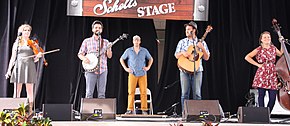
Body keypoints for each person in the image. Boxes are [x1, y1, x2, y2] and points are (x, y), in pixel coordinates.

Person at [5, 24, 43, 113]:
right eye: (25, 30)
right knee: (17, 90)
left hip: (29, 67)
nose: (27, 32)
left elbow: (35, 60)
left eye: (28, 30)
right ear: (21, 32)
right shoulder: (17, 43)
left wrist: (38, 56)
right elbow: (13, 57)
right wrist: (9, 70)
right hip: (19, 67)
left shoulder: (32, 43)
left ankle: (30, 111)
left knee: (30, 91)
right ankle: (16, 112)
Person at [174, 21, 210, 112]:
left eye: (189, 29)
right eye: (186, 29)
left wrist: (202, 48)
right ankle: (185, 113)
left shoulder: (201, 42)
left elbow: (206, 58)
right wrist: (183, 52)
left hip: (197, 71)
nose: (186, 31)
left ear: (194, 30)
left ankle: (197, 114)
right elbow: (176, 55)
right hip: (184, 71)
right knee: (184, 94)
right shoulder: (182, 42)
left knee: (197, 94)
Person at [245, 31, 283, 112]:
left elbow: (280, 54)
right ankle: (262, 114)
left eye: (268, 37)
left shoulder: (273, 48)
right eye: (265, 37)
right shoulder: (258, 49)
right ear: (261, 39)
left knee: (272, 97)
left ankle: (267, 113)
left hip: (272, 73)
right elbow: (247, 57)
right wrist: (258, 65)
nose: (267, 39)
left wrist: (282, 43)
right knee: (261, 95)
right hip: (262, 73)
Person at [78, 20, 112, 98]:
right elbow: (80, 54)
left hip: (103, 70)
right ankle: (87, 110)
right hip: (90, 70)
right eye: (96, 27)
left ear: (102, 30)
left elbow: (109, 56)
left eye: (100, 28)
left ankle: (102, 110)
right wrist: (85, 59)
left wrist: (109, 49)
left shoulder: (106, 42)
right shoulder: (87, 41)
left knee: (102, 94)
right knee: (89, 93)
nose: (98, 29)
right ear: (92, 29)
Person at [120, 35, 153, 115]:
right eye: (135, 40)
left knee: (143, 92)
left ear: (140, 41)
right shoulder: (129, 50)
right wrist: (126, 68)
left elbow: (151, 59)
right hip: (132, 73)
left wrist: (148, 67)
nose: (136, 42)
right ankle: (130, 109)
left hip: (142, 74)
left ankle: (144, 109)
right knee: (131, 92)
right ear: (133, 41)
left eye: (138, 40)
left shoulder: (144, 50)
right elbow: (121, 59)